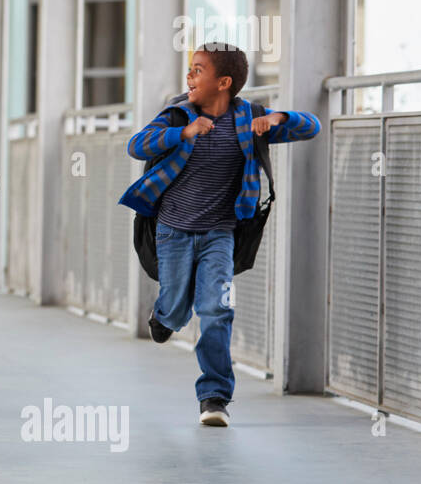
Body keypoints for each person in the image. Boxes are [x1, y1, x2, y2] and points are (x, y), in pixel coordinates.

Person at [120, 42, 319, 427]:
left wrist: (279, 117)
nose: (190, 76)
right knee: (177, 308)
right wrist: (183, 133)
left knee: (216, 308)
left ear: (223, 82)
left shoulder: (249, 121)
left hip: (220, 235)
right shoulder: (177, 114)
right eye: (191, 69)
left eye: (198, 70)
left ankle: (214, 397)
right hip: (173, 231)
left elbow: (312, 126)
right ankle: (164, 314)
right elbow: (136, 145)